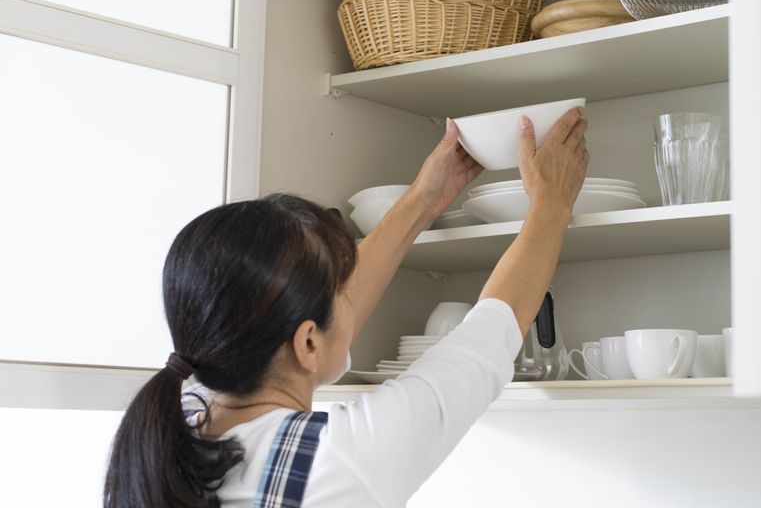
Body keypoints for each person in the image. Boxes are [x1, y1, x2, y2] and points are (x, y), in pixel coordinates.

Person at [104, 108, 589, 508]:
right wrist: (552, 201)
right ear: (308, 341)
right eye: (338, 288)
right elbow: (491, 330)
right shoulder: (343, 459)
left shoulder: (179, 423)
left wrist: (424, 199)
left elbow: (310, 318)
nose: (348, 297)